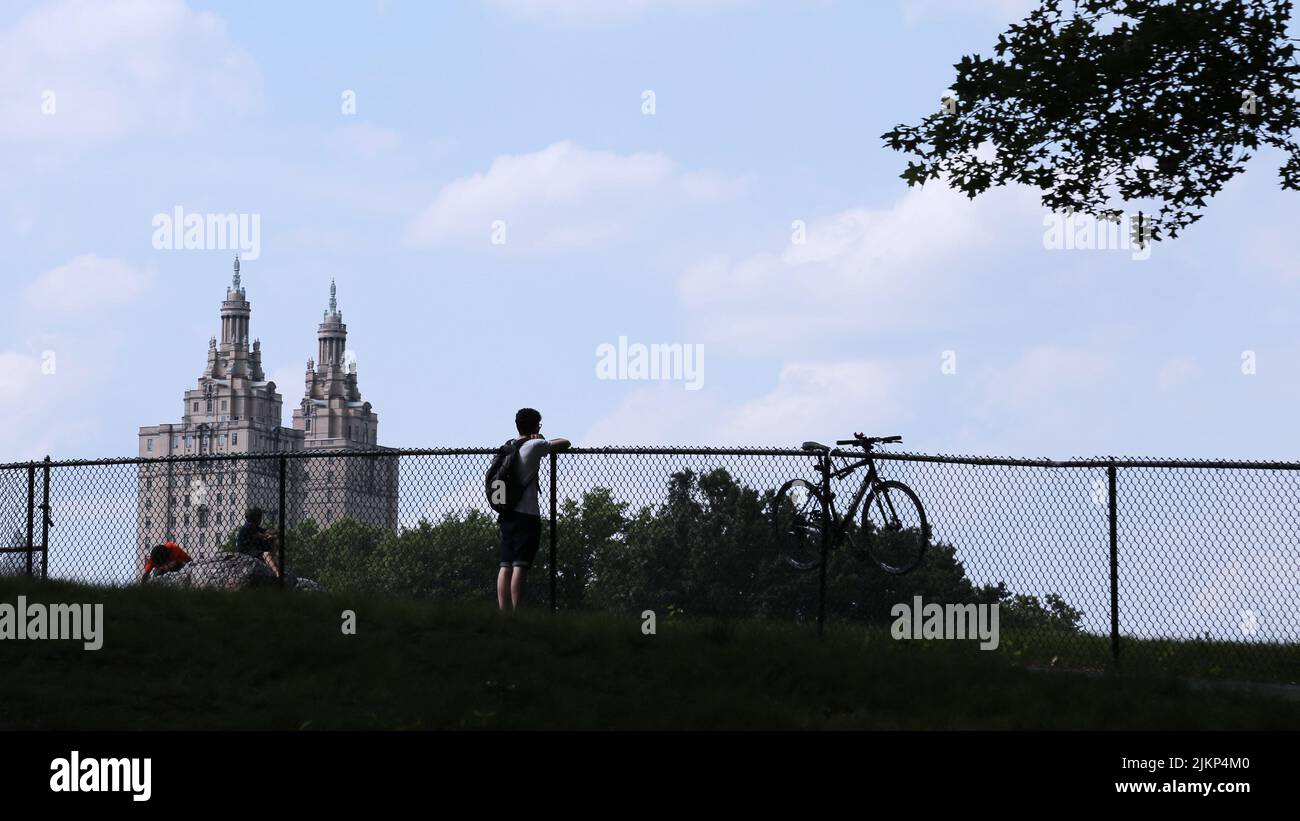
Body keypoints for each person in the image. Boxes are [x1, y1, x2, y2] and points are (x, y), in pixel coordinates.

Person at [498, 408, 569, 610]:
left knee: (505, 565)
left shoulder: (508, 446)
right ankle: (517, 611)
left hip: (506, 512)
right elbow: (565, 443)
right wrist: (541, 437)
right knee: (520, 564)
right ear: (535, 425)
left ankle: (504, 614)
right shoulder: (534, 445)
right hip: (526, 515)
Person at [236, 508, 282, 578]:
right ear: (256, 518)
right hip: (246, 551)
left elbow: (266, 531)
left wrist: (270, 535)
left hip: (253, 549)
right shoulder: (247, 527)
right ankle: (277, 574)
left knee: (271, 541)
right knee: (266, 553)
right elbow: (250, 540)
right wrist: (258, 536)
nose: (261, 519)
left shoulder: (255, 527)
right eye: (259, 517)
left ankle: (272, 565)